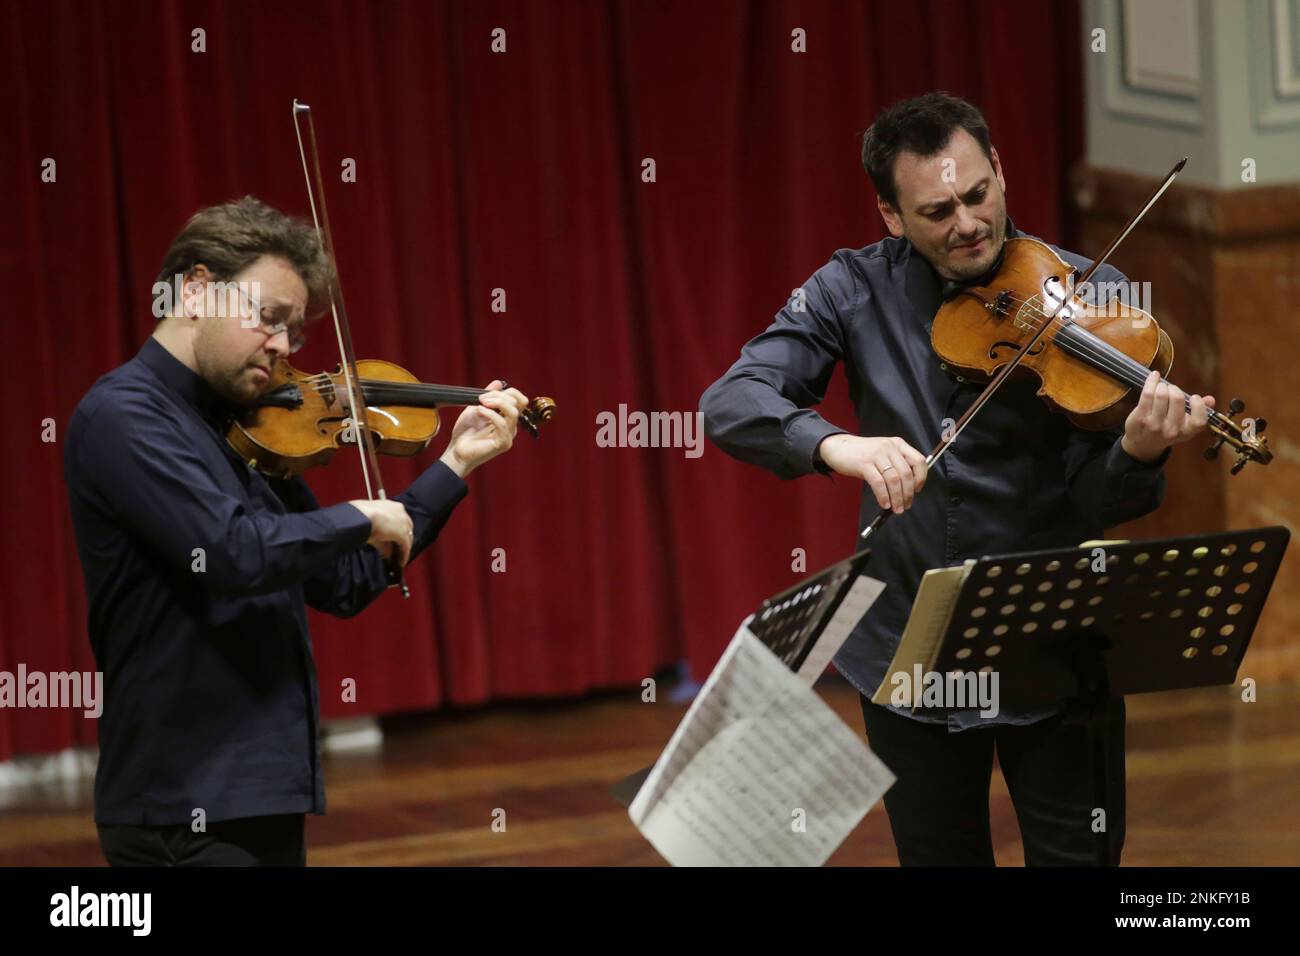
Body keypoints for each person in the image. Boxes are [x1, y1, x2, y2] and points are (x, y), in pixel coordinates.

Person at [699, 93, 1214, 866]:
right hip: (910, 646)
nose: (969, 223)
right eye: (937, 210)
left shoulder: (1081, 295)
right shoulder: (850, 288)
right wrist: (839, 447)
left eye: (979, 194)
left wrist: (1138, 453)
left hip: (1055, 645)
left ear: (1000, 171)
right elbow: (729, 403)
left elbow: (1097, 498)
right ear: (892, 216)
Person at [65, 196, 530, 866]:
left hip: (263, 793)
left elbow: (344, 582)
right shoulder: (124, 416)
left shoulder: (246, 428)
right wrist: (360, 516)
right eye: (268, 318)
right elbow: (228, 553)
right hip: (183, 809)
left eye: (296, 332)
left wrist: (455, 463)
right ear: (197, 290)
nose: (284, 347)